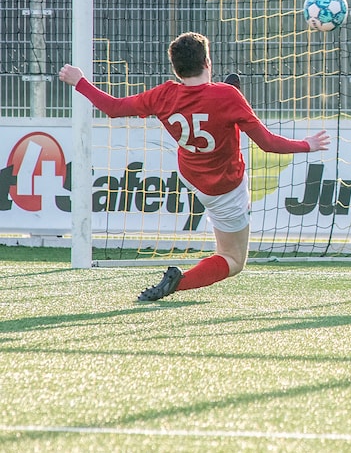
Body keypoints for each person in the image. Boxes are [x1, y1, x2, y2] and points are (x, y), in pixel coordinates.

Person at [58, 32, 330, 302]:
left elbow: (114, 108)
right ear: (207, 62)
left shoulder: (164, 94)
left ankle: (219, 113)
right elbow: (268, 143)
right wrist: (307, 145)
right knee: (233, 260)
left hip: (193, 175)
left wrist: (79, 81)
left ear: (176, 69)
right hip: (225, 189)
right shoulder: (227, 97)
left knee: (221, 109)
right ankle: (179, 282)